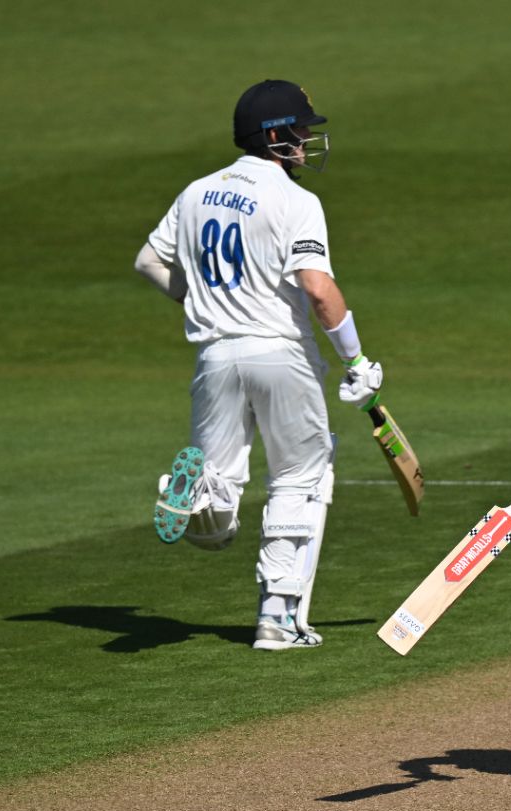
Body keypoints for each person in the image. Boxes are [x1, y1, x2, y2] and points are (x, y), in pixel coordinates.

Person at [134, 80, 385, 651]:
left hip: (214, 356)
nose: (305, 142)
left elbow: (149, 261)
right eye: (299, 131)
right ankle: (277, 616)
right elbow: (319, 290)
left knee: (221, 489)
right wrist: (357, 359)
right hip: (279, 354)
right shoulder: (296, 201)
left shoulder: (196, 191)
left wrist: (197, 299)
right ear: (275, 136)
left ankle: (202, 498)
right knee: (302, 476)